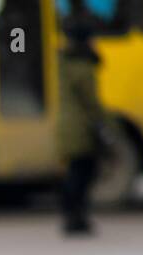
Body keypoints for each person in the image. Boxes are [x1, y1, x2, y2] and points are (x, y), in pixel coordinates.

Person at [55, 5, 106, 236]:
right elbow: (92, 103)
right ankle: (76, 217)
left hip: (67, 126)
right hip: (81, 129)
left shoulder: (64, 61)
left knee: (76, 172)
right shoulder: (83, 67)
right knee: (83, 173)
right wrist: (107, 125)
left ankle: (72, 216)